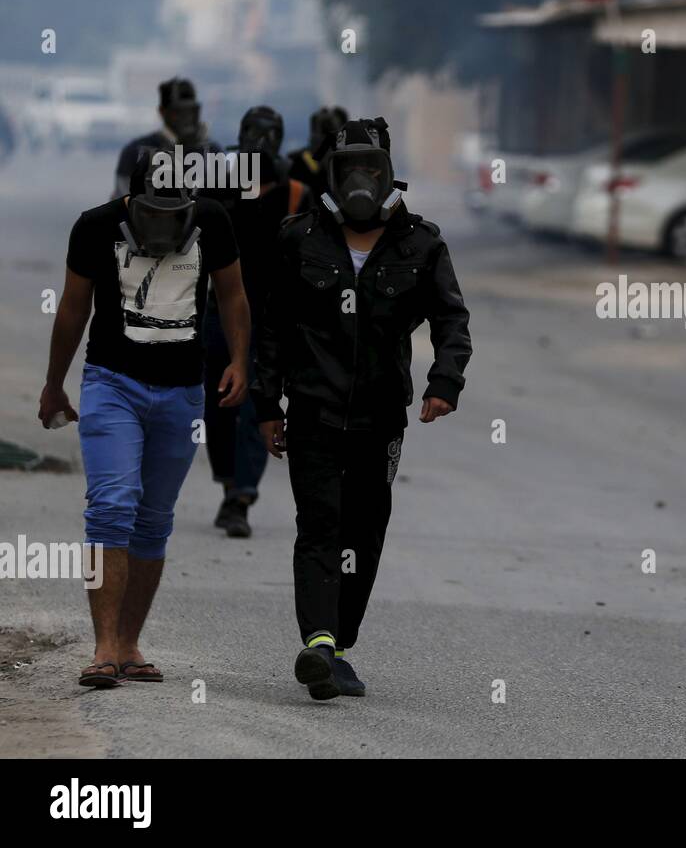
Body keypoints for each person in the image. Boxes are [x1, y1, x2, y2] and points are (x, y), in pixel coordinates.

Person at [252, 117, 471, 700]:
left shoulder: (420, 244)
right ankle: (318, 642)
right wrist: (265, 403)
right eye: (350, 170)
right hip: (313, 413)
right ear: (333, 173)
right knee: (319, 525)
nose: (361, 182)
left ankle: (339, 648)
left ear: (388, 174)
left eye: (371, 170)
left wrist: (444, 381)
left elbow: (452, 320)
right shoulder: (299, 238)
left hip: (381, 421)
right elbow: (270, 327)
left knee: (364, 533)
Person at [39, 148, 249, 688]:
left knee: (154, 518)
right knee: (110, 506)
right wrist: (54, 384)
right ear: (131, 202)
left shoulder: (212, 222)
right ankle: (103, 647)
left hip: (182, 392)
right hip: (112, 383)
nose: (162, 223)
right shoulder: (95, 227)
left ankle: (130, 645)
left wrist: (240, 362)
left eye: (172, 213)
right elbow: (71, 309)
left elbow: (233, 294)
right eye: (151, 212)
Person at [205, 106, 314, 538]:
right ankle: (229, 481)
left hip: (271, 318)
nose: (261, 141)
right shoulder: (220, 182)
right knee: (217, 402)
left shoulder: (294, 192)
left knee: (256, 400)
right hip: (221, 312)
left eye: (270, 133)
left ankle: (241, 496)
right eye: (254, 132)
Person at [113, 78, 223, 199]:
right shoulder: (136, 151)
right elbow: (124, 202)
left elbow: (221, 200)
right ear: (162, 112)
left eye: (191, 111)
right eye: (178, 112)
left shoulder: (212, 151)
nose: (186, 118)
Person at [286, 106, 348, 200]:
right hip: (312, 208)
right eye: (324, 127)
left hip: (334, 207)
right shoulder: (297, 161)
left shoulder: (347, 160)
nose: (327, 132)